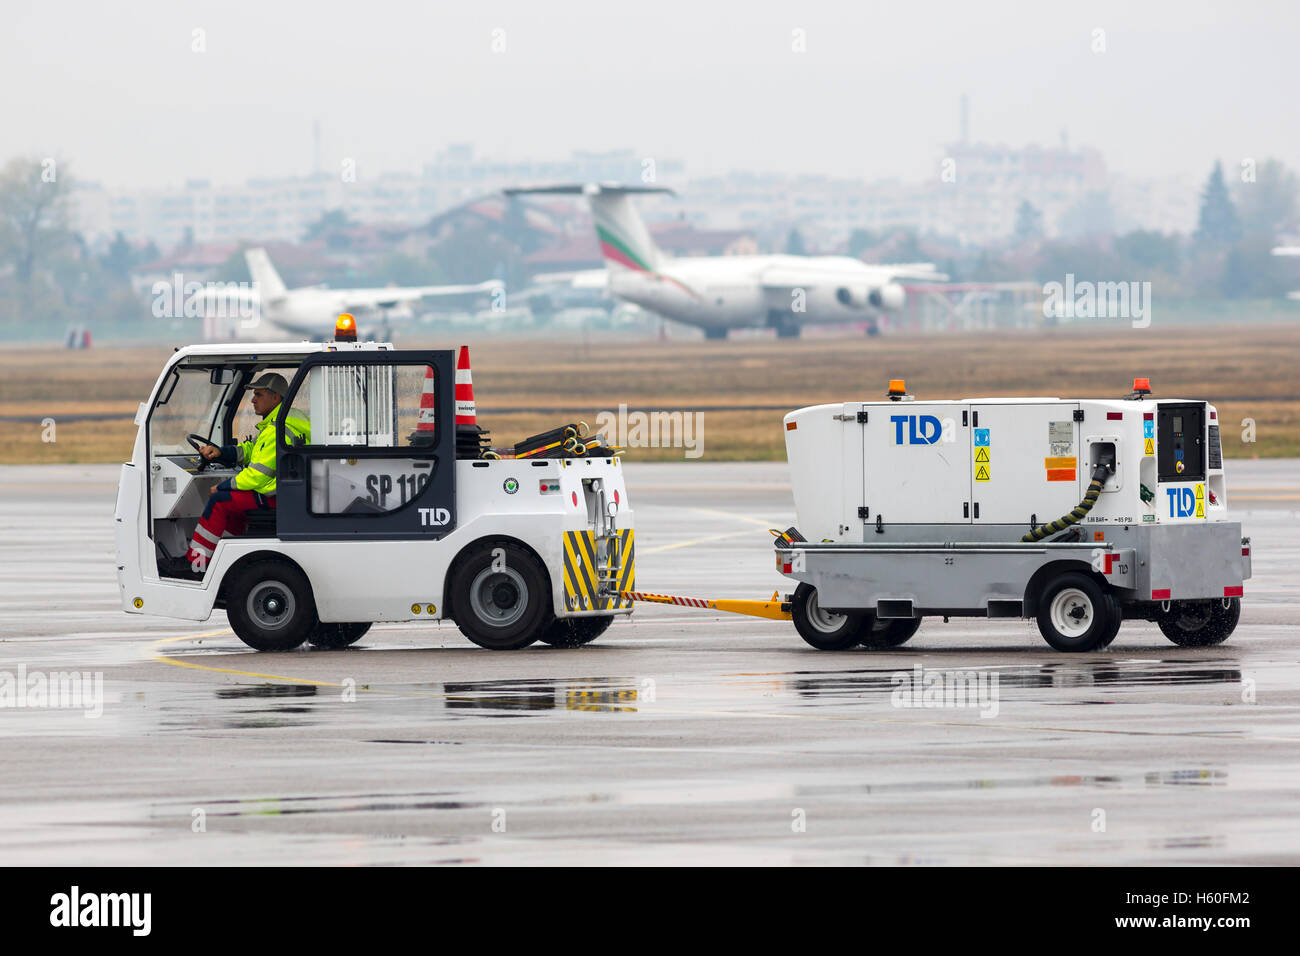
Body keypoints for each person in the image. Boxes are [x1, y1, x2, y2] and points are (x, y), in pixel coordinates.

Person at [176, 373, 309, 576]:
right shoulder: (282, 421)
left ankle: (196, 565)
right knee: (233, 506)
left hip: (278, 496)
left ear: (276, 398)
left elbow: (257, 475)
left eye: (259, 394)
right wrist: (221, 452)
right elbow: (252, 450)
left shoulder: (278, 430)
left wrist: (222, 486)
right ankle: (226, 560)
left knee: (220, 500)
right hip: (289, 492)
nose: (253, 399)